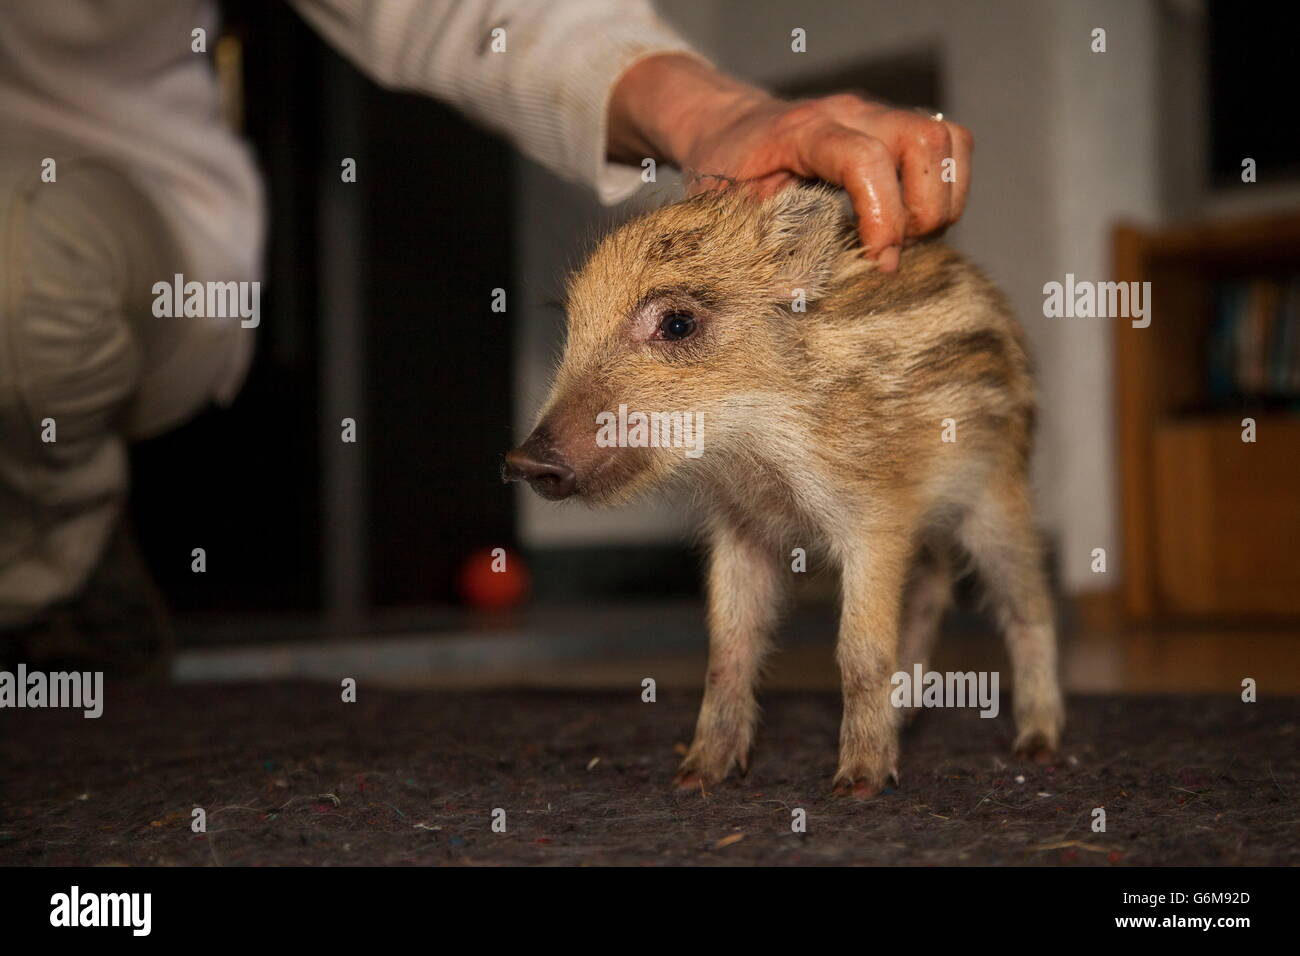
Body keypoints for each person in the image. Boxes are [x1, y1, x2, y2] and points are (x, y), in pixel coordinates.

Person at [0, 0, 972, 673]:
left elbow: (476, 10)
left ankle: (52, 562)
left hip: (89, 192)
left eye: (675, 326)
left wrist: (713, 113)